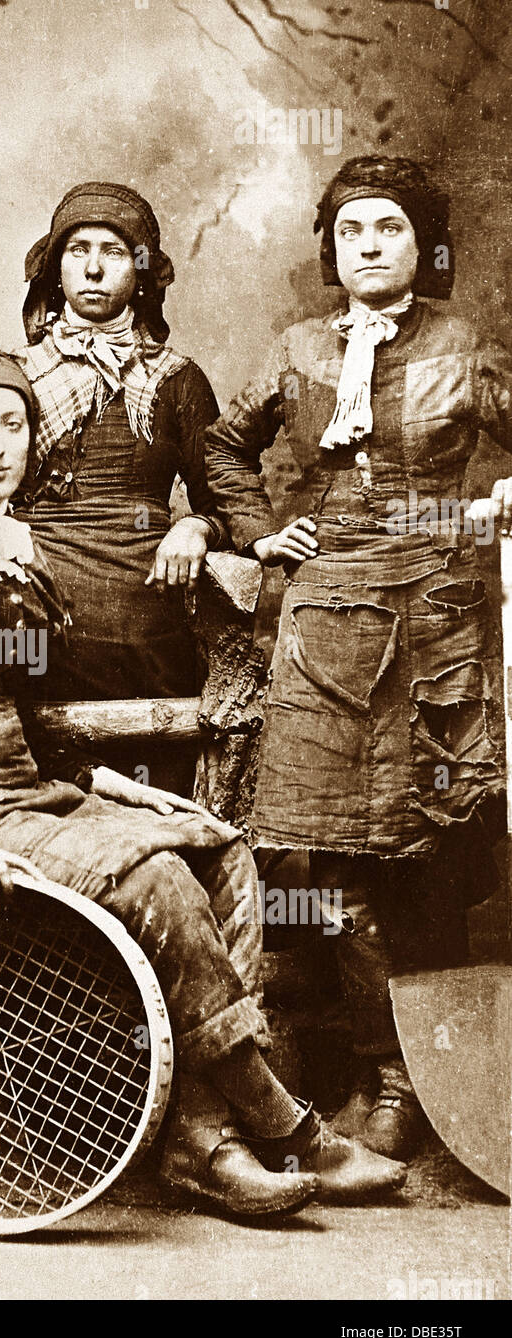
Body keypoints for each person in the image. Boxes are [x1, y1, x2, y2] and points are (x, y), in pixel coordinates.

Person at [0, 341, 405, 1218]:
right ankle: (284, 1127)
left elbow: (24, 724)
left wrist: (113, 786)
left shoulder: (12, 548)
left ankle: (204, 1140)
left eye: (13, 424)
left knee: (215, 847)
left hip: (16, 791)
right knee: (155, 879)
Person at [205, 154, 512, 1160]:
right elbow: (218, 448)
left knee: (429, 852)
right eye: (349, 232)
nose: (367, 247)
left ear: (423, 247)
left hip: (436, 608)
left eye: (387, 229)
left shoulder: (466, 348)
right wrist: (257, 533)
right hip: (328, 608)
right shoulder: (294, 350)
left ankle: (430, 1086)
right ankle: (382, 1073)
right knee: (326, 861)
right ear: (329, 250)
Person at [12, 182, 228, 793]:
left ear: (142, 271)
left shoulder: (178, 378)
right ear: (55, 268)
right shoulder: (11, 376)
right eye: (77, 249)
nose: (95, 267)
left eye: (114, 250)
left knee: (147, 640)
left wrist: (195, 525)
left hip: (142, 587)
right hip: (35, 576)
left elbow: (223, 495)